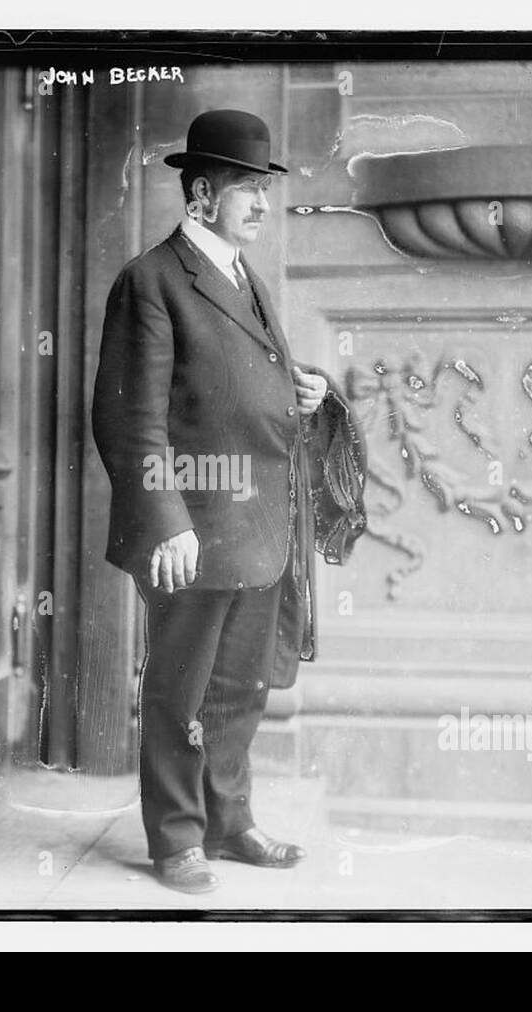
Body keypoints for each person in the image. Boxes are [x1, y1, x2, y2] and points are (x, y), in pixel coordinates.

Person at [92, 109, 364, 894]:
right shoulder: (150, 281)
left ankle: (228, 818)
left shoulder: (246, 278)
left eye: (264, 190)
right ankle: (175, 836)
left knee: (241, 686)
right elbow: (130, 419)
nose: (261, 204)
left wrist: (300, 388)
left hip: (259, 523)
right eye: (247, 189)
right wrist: (166, 523)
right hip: (195, 528)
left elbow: (236, 383)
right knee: (181, 688)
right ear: (201, 194)